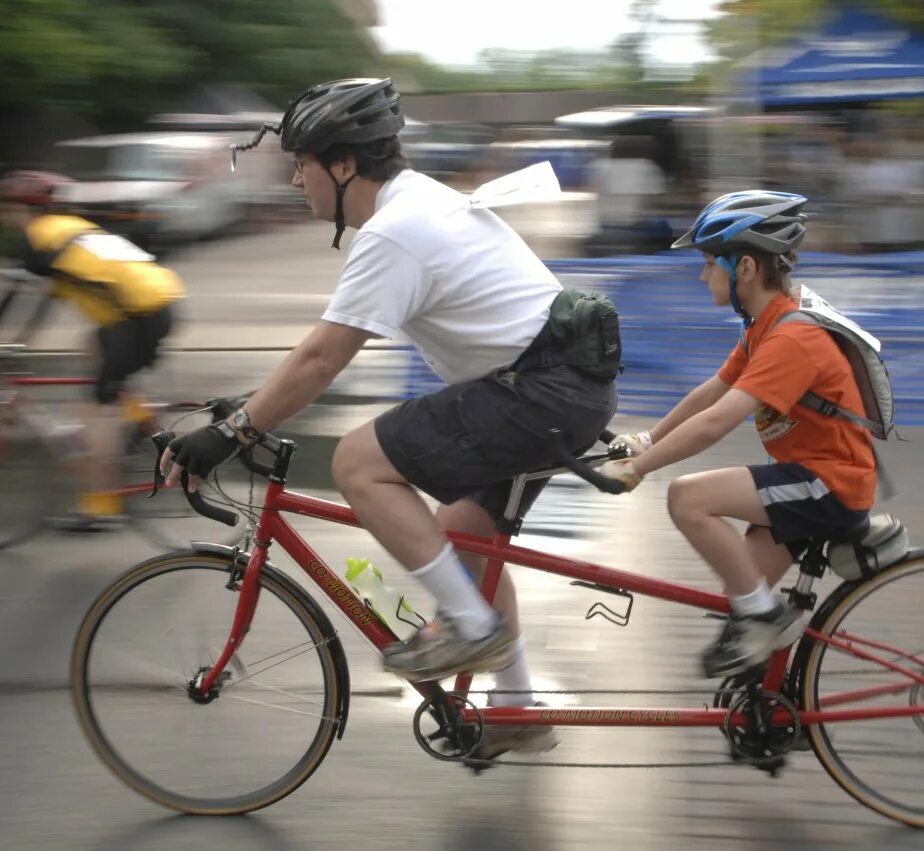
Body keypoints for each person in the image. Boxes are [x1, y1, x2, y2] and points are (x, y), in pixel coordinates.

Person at [159, 78, 618, 757]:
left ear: (345, 164)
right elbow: (318, 353)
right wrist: (252, 408)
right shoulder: (420, 203)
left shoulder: (396, 231)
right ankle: (517, 708)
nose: (295, 180)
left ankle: (470, 628)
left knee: (357, 462)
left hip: (540, 393)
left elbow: (323, 358)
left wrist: (233, 433)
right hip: (561, 389)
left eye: (303, 164)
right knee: (464, 537)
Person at [599, 191, 877, 676]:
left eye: (709, 263)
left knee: (687, 498)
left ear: (744, 268)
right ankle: (765, 700)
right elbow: (711, 392)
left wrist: (639, 469)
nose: (702, 275)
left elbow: (717, 421)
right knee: (740, 594)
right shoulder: (765, 325)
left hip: (829, 484)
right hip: (804, 476)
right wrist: (647, 440)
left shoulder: (792, 337)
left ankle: (768, 619)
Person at [0, 170, 183, 527]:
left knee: (96, 411)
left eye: (4, 208)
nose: (0, 216)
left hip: (135, 320)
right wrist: (21, 343)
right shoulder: (70, 229)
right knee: (90, 347)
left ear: (21, 208)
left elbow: (9, 297)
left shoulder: (37, 236)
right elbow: (46, 300)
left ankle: (102, 506)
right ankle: (139, 419)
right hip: (151, 309)